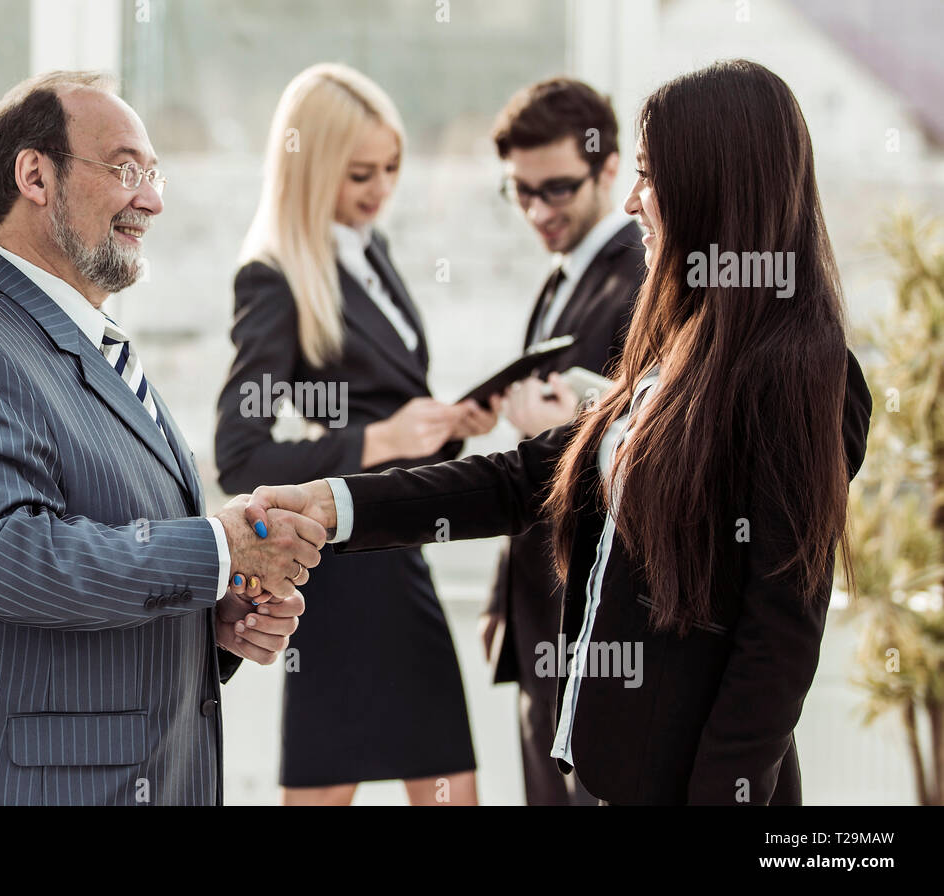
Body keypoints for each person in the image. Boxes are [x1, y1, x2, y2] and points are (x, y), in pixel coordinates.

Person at [236, 59, 874, 805]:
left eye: (649, 176)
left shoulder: (803, 372)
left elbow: (779, 641)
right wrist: (334, 504)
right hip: (601, 775)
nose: (633, 200)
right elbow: (523, 478)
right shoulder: (678, 345)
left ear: (714, 187)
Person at [0, 71, 321, 806]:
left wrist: (209, 619)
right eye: (126, 169)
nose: (151, 200)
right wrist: (218, 551)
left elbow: (105, 556)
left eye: (154, 174)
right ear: (35, 175)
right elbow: (4, 558)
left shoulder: (91, 344)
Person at [215, 63, 496, 806]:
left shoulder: (371, 253)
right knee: (330, 785)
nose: (380, 189)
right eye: (360, 172)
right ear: (311, 169)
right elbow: (239, 455)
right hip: (338, 572)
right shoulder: (274, 278)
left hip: (397, 551)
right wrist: (380, 440)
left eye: (393, 169)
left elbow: (387, 410)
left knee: (448, 783)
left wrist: (447, 429)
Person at [480, 78, 645, 806]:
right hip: (540, 615)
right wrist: (502, 603)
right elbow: (526, 470)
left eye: (557, 189)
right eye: (520, 192)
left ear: (609, 169)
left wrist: (569, 424)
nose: (539, 211)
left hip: (598, 628)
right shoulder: (558, 283)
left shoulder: (643, 280)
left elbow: (652, 455)